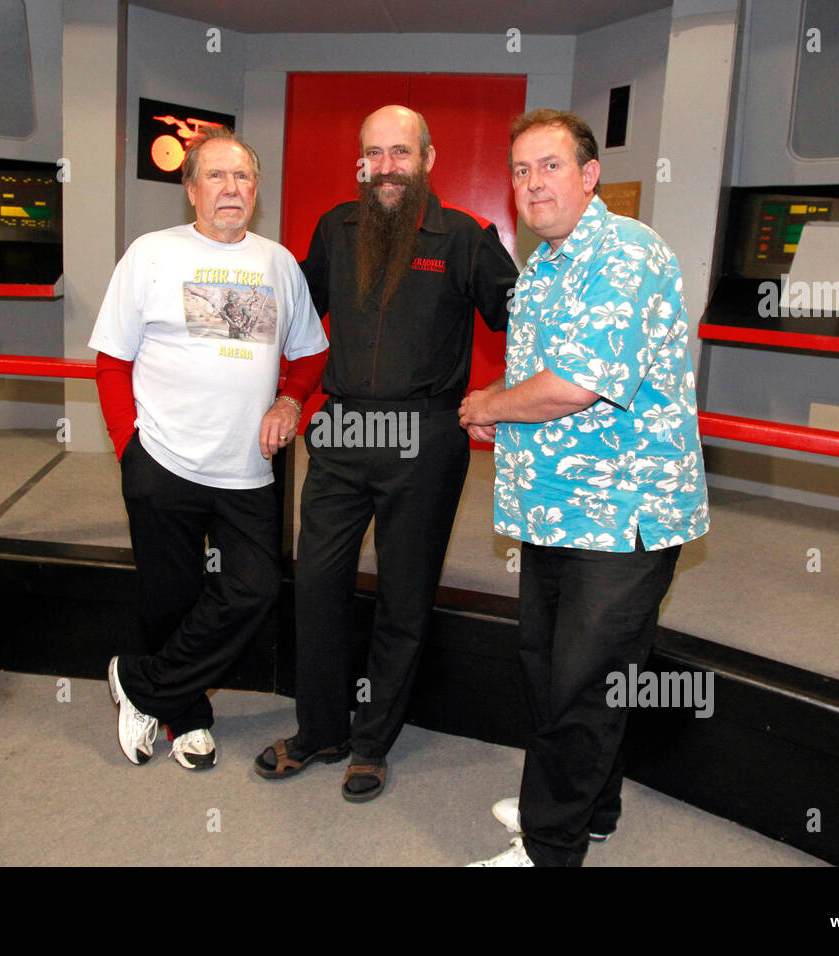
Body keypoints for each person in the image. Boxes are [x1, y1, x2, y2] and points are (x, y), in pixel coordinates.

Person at [461, 110, 709, 865]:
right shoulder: (542, 265)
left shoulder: (624, 253)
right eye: (522, 170)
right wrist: (508, 416)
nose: (534, 183)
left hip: (623, 517)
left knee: (582, 685)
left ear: (589, 174)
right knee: (553, 670)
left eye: (551, 165)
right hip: (555, 510)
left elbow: (574, 385)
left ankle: (551, 845)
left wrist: (488, 405)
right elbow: (546, 378)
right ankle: (590, 808)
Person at [254, 105, 520, 801]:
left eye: (401, 152)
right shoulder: (335, 230)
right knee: (316, 586)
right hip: (342, 431)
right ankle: (320, 731)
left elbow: (527, 318)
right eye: (375, 154)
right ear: (362, 164)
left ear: (428, 159)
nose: (388, 166)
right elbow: (293, 316)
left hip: (424, 438)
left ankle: (372, 743)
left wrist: (504, 396)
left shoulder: (465, 237)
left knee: (404, 599)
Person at [89, 128, 328, 771]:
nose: (231, 189)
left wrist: (290, 401)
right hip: (162, 459)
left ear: (257, 190)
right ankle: (188, 717)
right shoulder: (150, 254)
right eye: (216, 177)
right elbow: (112, 362)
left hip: (248, 469)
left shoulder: (278, 262)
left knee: (254, 590)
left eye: (243, 177)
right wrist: (127, 450)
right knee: (170, 596)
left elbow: (310, 353)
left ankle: (140, 684)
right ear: (191, 188)